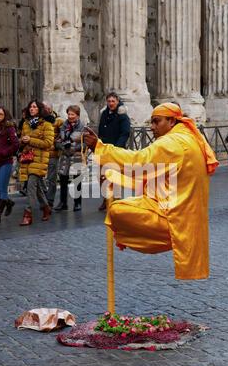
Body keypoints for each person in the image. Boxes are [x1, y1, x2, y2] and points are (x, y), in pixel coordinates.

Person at [84, 103, 219, 281]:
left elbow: (138, 163)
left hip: (171, 218)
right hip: (185, 216)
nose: (152, 127)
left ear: (171, 121)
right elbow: (153, 175)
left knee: (116, 210)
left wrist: (100, 148)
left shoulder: (171, 143)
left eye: (156, 122)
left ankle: (154, 238)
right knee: (122, 207)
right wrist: (115, 176)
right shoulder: (189, 138)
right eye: (152, 122)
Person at [18, 100, 54, 225]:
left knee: (31, 186)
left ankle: (27, 214)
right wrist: (23, 141)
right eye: (30, 107)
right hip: (28, 159)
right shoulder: (26, 123)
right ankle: (46, 207)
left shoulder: (47, 124)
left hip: (39, 159)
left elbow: (48, 143)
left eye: (34, 107)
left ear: (39, 109)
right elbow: (22, 141)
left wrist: (31, 140)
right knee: (36, 187)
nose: (31, 109)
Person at [97, 92, 131, 210]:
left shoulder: (123, 116)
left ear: (117, 102)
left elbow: (125, 133)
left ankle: (115, 201)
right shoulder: (104, 114)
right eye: (109, 101)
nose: (110, 103)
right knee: (102, 176)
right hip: (104, 150)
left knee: (115, 177)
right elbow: (101, 130)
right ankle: (106, 199)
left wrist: (116, 148)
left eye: (113, 101)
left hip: (116, 151)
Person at [54, 105, 85, 212]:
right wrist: (62, 146)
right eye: (69, 114)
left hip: (76, 156)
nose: (70, 116)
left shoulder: (82, 126)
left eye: (72, 114)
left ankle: (77, 203)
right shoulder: (64, 125)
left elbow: (85, 144)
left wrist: (73, 147)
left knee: (77, 180)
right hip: (64, 157)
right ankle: (63, 203)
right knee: (63, 180)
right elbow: (57, 141)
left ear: (77, 115)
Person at [41, 102, 64, 207]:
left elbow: (63, 134)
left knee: (52, 178)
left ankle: (49, 200)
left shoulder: (58, 121)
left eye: (44, 108)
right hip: (40, 153)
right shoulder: (38, 121)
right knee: (38, 177)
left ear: (49, 110)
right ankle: (45, 194)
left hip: (52, 154)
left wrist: (58, 142)